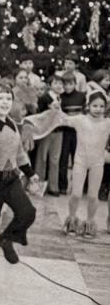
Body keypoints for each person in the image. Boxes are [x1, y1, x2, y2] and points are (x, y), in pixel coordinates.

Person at [0, 84, 38, 293]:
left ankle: (6, 238)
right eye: (0, 98)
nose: (5, 102)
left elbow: (19, 151)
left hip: (11, 178)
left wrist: (30, 172)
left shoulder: (11, 122)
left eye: (8, 99)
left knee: (27, 212)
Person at [58, 91, 110, 238]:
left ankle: (89, 222)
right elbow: (63, 118)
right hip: (80, 161)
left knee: (93, 196)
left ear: (105, 107)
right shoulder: (80, 120)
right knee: (76, 194)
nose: (98, 109)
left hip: (97, 163)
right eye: (95, 105)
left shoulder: (107, 123)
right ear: (88, 105)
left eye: (101, 106)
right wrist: (56, 108)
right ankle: (72, 220)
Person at [35, 75, 65, 196]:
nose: (59, 86)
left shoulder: (61, 98)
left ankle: (53, 187)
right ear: (50, 85)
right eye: (56, 83)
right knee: (41, 158)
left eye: (60, 84)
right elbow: (39, 116)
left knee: (55, 159)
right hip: (46, 132)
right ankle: (38, 186)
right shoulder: (44, 98)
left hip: (59, 131)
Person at [58, 72, 85, 194]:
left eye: (70, 84)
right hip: (64, 132)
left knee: (78, 160)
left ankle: (77, 186)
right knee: (63, 159)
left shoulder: (81, 96)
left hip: (79, 132)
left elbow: (86, 113)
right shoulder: (60, 97)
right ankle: (63, 186)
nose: (68, 87)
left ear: (75, 83)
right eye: (65, 84)